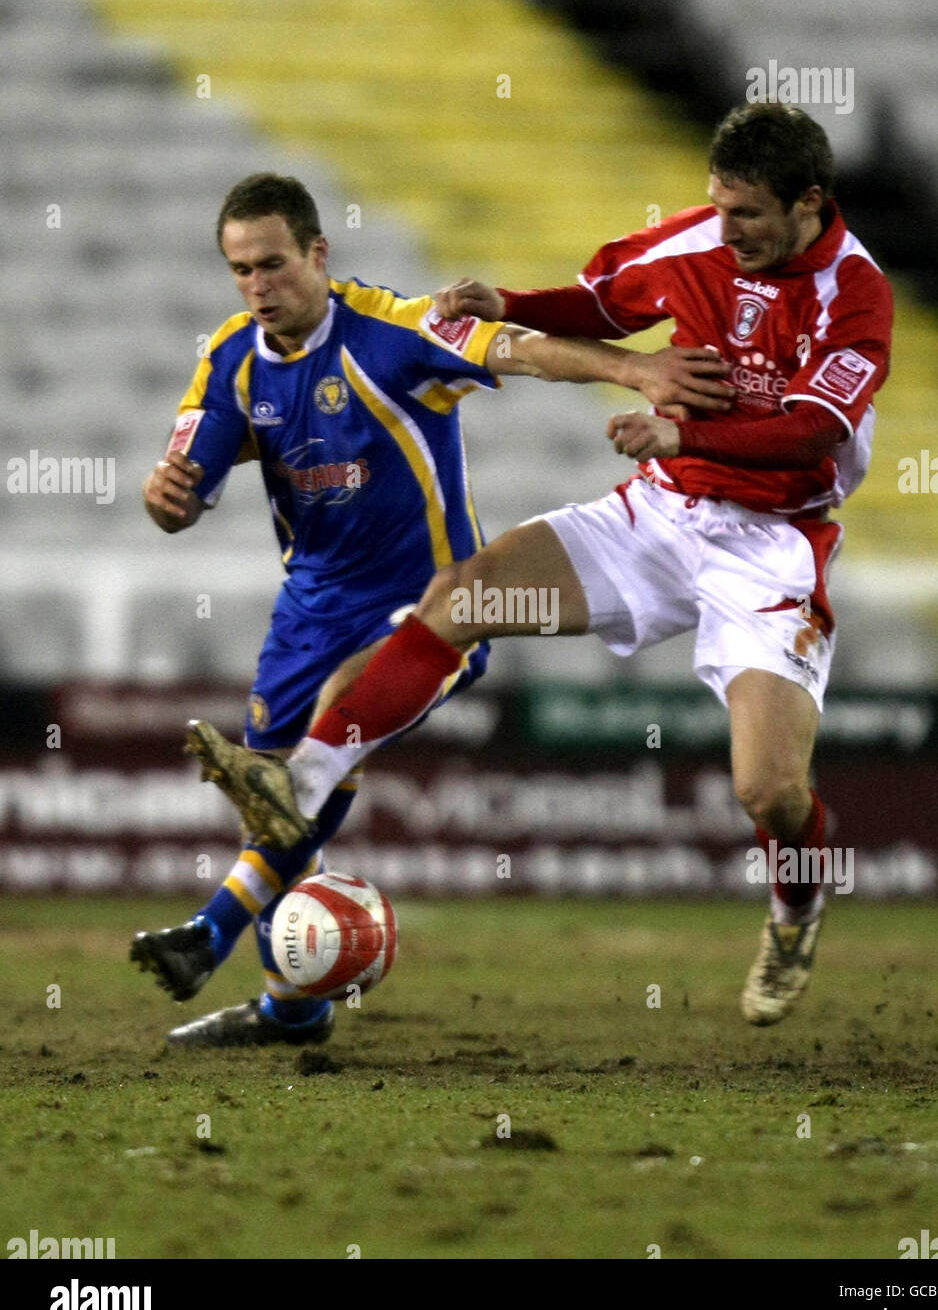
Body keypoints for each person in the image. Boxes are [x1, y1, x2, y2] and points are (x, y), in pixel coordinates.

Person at [188, 104, 894, 1028]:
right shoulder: (696, 239)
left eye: (748, 216)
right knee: (459, 598)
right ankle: (303, 785)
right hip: (658, 513)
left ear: (809, 202)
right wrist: (507, 305)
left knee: (768, 789)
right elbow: (603, 306)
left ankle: (795, 902)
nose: (727, 231)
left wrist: (684, 427)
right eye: (717, 208)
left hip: (771, 542)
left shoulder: (856, 291)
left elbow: (816, 427)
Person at [131, 171, 732, 1046]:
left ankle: (209, 929)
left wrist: (631, 367)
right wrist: (165, 498)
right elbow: (178, 502)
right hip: (307, 611)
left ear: (317, 255)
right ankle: (293, 1011)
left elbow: (514, 350)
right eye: (240, 271)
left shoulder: (392, 330)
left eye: (272, 265)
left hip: (430, 608)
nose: (258, 286)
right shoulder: (229, 361)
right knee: (277, 796)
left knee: (334, 721)